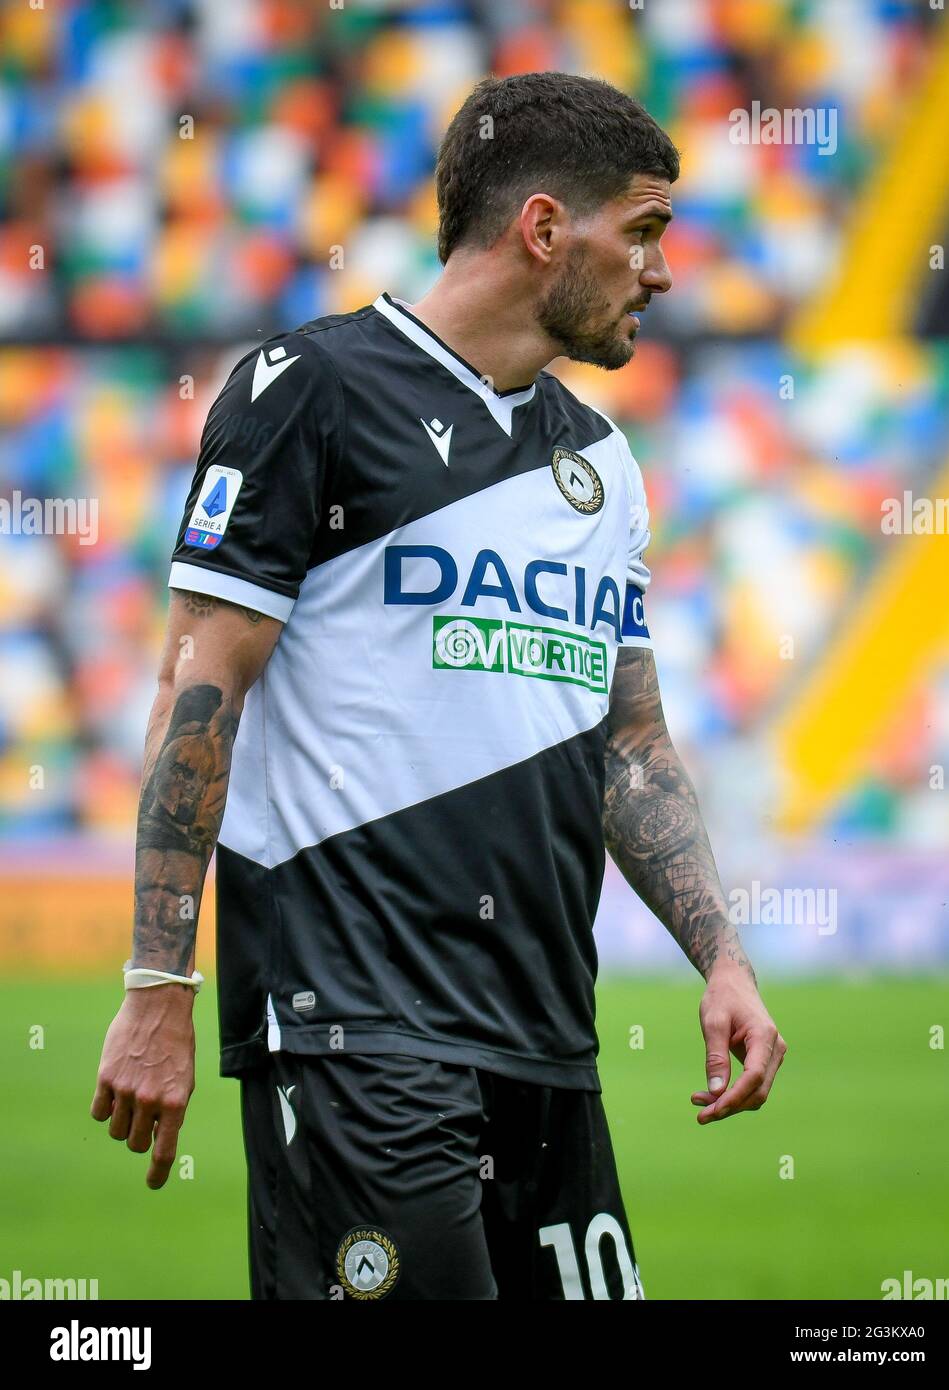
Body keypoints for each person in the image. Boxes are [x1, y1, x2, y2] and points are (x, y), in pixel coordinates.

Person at [91, 70, 786, 1301]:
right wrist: (158, 985)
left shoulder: (601, 461)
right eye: (644, 232)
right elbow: (198, 697)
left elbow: (630, 747)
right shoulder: (310, 390)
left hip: (544, 1041)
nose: (663, 272)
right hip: (352, 1032)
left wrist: (720, 954)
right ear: (542, 230)